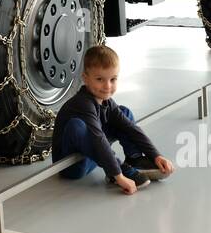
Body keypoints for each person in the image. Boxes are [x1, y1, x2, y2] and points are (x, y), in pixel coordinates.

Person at [52, 45, 176, 195]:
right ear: (86, 78)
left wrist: (156, 155)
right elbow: (97, 138)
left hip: (95, 156)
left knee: (124, 113)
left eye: (113, 79)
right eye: (99, 79)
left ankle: (135, 159)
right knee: (76, 126)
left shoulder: (106, 101)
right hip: (73, 167)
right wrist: (119, 175)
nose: (107, 86)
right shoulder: (82, 103)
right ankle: (119, 170)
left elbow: (130, 128)